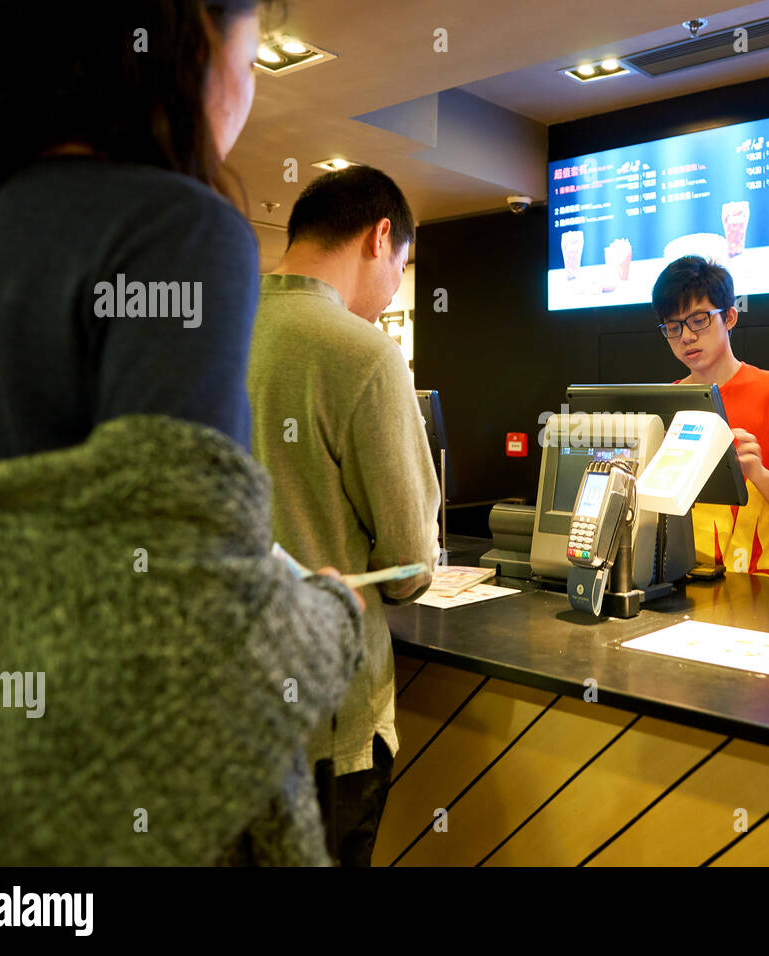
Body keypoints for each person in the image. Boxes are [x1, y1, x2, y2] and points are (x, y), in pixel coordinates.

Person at [0, 0, 367, 865]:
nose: (244, 98)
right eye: (248, 65)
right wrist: (327, 620)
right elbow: (184, 650)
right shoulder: (173, 228)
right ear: (195, 45)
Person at [247, 165, 440, 866]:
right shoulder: (364, 353)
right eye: (403, 267)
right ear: (380, 237)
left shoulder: (211, 334)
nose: (394, 288)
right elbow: (411, 563)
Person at [652, 255, 769, 577]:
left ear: (729, 316)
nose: (686, 336)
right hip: (675, 586)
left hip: (755, 593)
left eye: (699, 320)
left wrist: (756, 472)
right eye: (673, 327)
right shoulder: (667, 401)